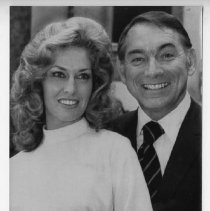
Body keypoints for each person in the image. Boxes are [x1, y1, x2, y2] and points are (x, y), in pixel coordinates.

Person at [10, 17, 153, 211]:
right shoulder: (13, 169)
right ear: (38, 81)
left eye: (83, 76)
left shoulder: (115, 152)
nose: (71, 88)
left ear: (95, 85)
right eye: (59, 74)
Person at [109, 11, 201, 211]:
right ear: (123, 71)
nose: (152, 71)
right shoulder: (107, 136)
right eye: (138, 59)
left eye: (167, 55)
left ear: (191, 61)